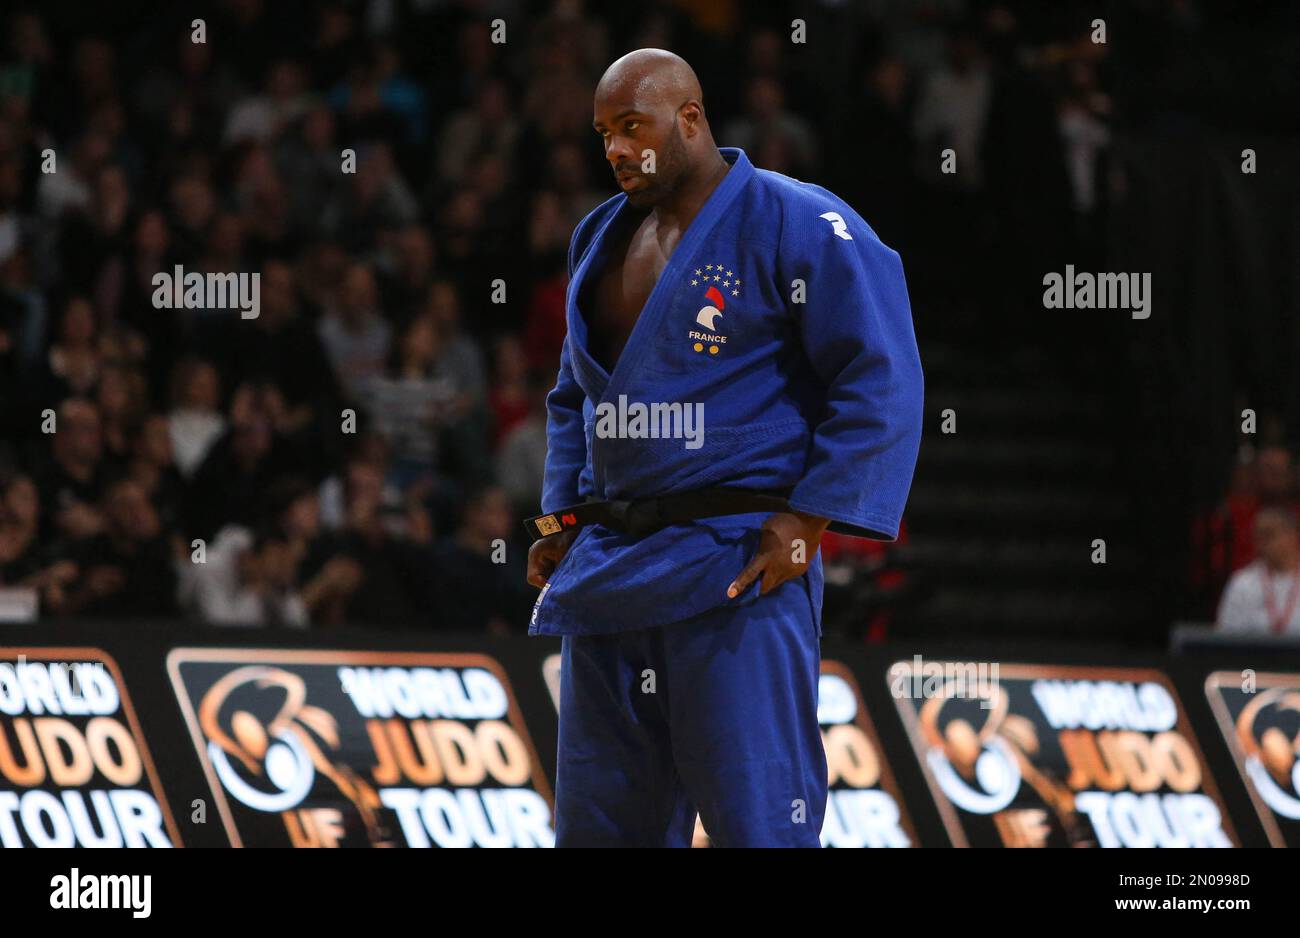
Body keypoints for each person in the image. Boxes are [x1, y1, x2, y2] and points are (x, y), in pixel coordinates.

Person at [525, 50, 923, 847]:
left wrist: (811, 519)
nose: (614, 150)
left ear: (691, 119)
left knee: (758, 826)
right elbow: (577, 398)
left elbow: (879, 374)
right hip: (611, 574)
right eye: (604, 133)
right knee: (601, 833)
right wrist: (562, 516)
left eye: (632, 127)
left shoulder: (800, 220)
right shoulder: (599, 239)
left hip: (734, 560)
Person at [1217, 507, 1300, 637]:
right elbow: (1227, 637)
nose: (1262, 544)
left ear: (1293, 535)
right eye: (1258, 537)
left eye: (1269, 535)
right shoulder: (1242, 583)